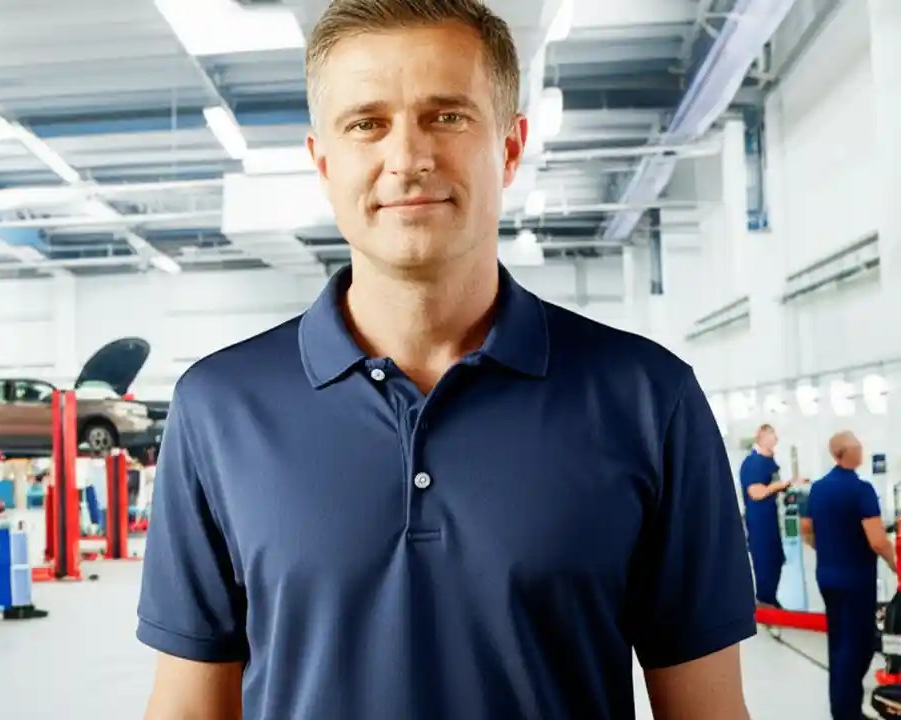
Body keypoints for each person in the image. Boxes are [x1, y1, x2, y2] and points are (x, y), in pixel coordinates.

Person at [136, 2, 757, 718]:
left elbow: (709, 710)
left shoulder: (648, 398)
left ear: (511, 147)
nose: (408, 158)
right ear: (323, 161)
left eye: (448, 116)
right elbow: (188, 706)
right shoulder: (220, 406)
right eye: (367, 123)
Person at [803, 431, 896, 720]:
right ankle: (847, 713)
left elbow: (806, 528)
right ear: (848, 453)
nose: (862, 451)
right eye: (859, 447)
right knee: (858, 645)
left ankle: (842, 708)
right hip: (857, 579)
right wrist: (897, 565)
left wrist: (829, 550)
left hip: (828, 576)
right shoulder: (862, 490)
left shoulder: (818, 488)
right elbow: (878, 540)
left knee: (839, 641)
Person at [739, 424, 802, 608]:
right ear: (762, 437)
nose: (776, 440)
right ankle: (765, 603)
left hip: (771, 520)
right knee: (765, 561)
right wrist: (782, 485)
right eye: (772, 436)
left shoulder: (769, 462)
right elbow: (756, 492)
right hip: (760, 523)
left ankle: (771, 600)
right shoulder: (753, 463)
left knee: (775, 559)